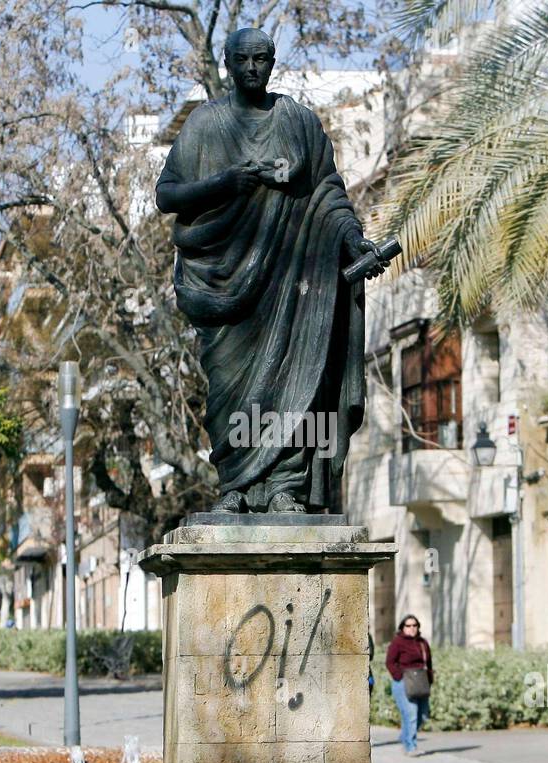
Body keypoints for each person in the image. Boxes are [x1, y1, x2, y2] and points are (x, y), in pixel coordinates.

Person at [154, 28, 389, 515]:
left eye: (263, 59)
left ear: (273, 62)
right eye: (244, 59)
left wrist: (351, 238)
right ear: (228, 63)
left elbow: (328, 191)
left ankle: (285, 486)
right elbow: (167, 195)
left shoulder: (299, 122)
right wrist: (224, 183)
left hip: (292, 283)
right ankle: (234, 487)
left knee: (294, 378)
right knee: (227, 388)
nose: (253, 68)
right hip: (222, 284)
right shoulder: (204, 125)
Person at [385, 615, 432, 756]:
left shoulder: (422, 643)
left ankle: (406, 737)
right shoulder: (397, 642)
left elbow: (428, 664)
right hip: (403, 682)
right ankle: (410, 747)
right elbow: (390, 662)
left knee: (423, 714)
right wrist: (399, 676)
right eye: (408, 625)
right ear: (402, 627)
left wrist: (429, 681)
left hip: (421, 682)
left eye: (414, 625)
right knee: (410, 714)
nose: (412, 628)